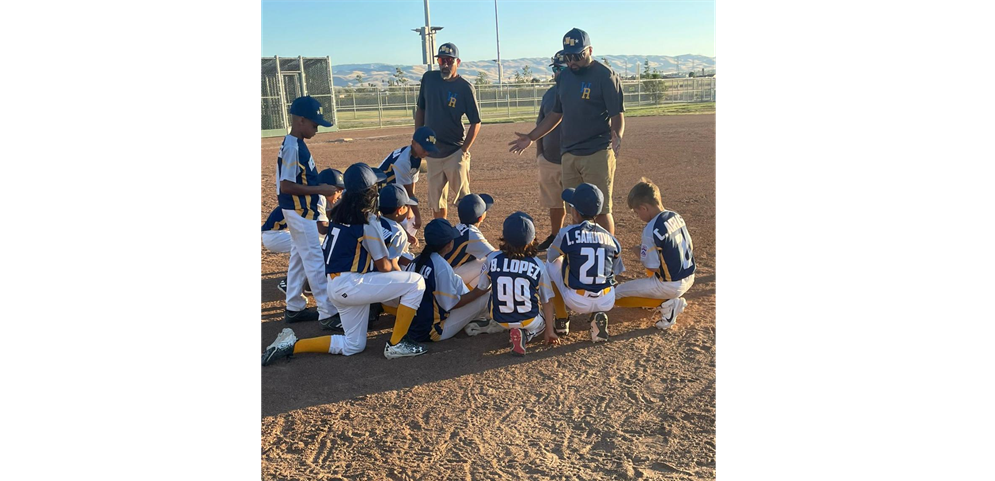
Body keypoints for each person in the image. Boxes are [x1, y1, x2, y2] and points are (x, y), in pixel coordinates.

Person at [260, 163, 429, 366]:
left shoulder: (340, 213)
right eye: (375, 186)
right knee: (416, 282)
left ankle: (292, 345)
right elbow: (384, 266)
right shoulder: (367, 219)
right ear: (369, 191)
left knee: (353, 345)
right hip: (352, 284)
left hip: (337, 286)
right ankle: (397, 343)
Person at [508, 28, 625, 236]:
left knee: (601, 209)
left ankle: (608, 254)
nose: (572, 62)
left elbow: (617, 115)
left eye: (577, 56)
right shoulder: (564, 78)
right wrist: (531, 137)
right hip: (569, 153)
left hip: (597, 151)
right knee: (575, 210)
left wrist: (617, 135)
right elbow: (555, 114)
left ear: (590, 50)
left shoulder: (605, 76)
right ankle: (579, 251)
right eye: (568, 56)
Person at [276, 96, 340, 324]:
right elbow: (286, 185)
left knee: (299, 258)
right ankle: (328, 313)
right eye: (314, 125)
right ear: (300, 120)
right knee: (314, 259)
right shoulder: (293, 146)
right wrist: (320, 189)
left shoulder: (297, 144)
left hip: (299, 210)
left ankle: (293, 306)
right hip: (298, 211)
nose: (316, 129)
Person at [464, 212, 559, 356]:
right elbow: (547, 300)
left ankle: (511, 329)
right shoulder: (538, 264)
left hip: (499, 318)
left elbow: (482, 288)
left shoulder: (492, 258)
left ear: (505, 237)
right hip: (529, 320)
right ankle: (526, 335)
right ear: (532, 239)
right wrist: (549, 331)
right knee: (544, 318)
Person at [545, 183, 624, 343]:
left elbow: (551, 257)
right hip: (606, 300)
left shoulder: (567, 233)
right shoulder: (610, 237)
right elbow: (616, 271)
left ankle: (561, 319)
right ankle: (596, 316)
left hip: (577, 300)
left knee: (550, 265)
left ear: (575, 212)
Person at [613, 178, 695, 329]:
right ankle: (664, 298)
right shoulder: (675, 216)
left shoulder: (651, 229)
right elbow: (689, 245)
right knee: (658, 258)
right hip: (689, 277)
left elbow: (651, 266)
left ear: (644, 208)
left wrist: (638, 251)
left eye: (637, 212)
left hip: (670, 285)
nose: (638, 216)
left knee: (616, 293)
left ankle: (667, 304)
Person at [415, 42, 482, 223]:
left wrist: (464, 149)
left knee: (464, 201)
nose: (445, 64)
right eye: (441, 60)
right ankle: (442, 234)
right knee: (436, 203)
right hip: (433, 153)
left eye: (449, 61)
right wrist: (418, 140)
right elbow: (420, 109)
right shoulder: (428, 79)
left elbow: (476, 122)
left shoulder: (465, 88)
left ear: (457, 62)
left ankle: (469, 236)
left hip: (455, 152)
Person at [397, 219, 492, 343]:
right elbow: (452, 304)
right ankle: (478, 318)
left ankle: (474, 317)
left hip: (412, 324)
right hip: (431, 331)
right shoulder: (440, 266)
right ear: (449, 245)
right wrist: (477, 292)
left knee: (456, 279)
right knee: (484, 295)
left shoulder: (417, 261)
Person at [269, 168, 345, 295]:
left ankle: (305, 284)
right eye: (337, 191)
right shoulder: (319, 197)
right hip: (273, 235)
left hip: (278, 233)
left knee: (309, 246)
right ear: (326, 188)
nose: (339, 195)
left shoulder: (318, 197)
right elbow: (322, 228)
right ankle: (289, 283)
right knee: (319, 246)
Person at [377, 126, 440, 237]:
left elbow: (412, 183)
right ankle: (400, 244)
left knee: (409, 216)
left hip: (393, 191)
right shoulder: (403, 161)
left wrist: (410, 208)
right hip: (381, 194)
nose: (427, 152)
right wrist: (418, 215)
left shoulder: (415, 156)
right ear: (414, 143)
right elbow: (408, 191)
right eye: (424, 148)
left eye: (429, 149)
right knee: (404, 220)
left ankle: (405, 242)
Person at [535, 51, 568, 251]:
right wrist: (539, 154)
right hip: (549, 159)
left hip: (572, 158)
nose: (556, 73)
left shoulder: (576, 93)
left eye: (560, 68)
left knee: (575, 204)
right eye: (555, 68)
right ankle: (556, 236)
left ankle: (574, 239)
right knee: (554, 203)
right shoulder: (549, 94)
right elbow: (540, 124)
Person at [442, 193, 497, 290]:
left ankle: (466, 290)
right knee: (490, 263)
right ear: (481, 218)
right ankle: (468, 293)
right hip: (448, 278)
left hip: (443, 273)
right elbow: (494, 255)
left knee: (481, 260)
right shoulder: (471, 233)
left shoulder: (459, 227)